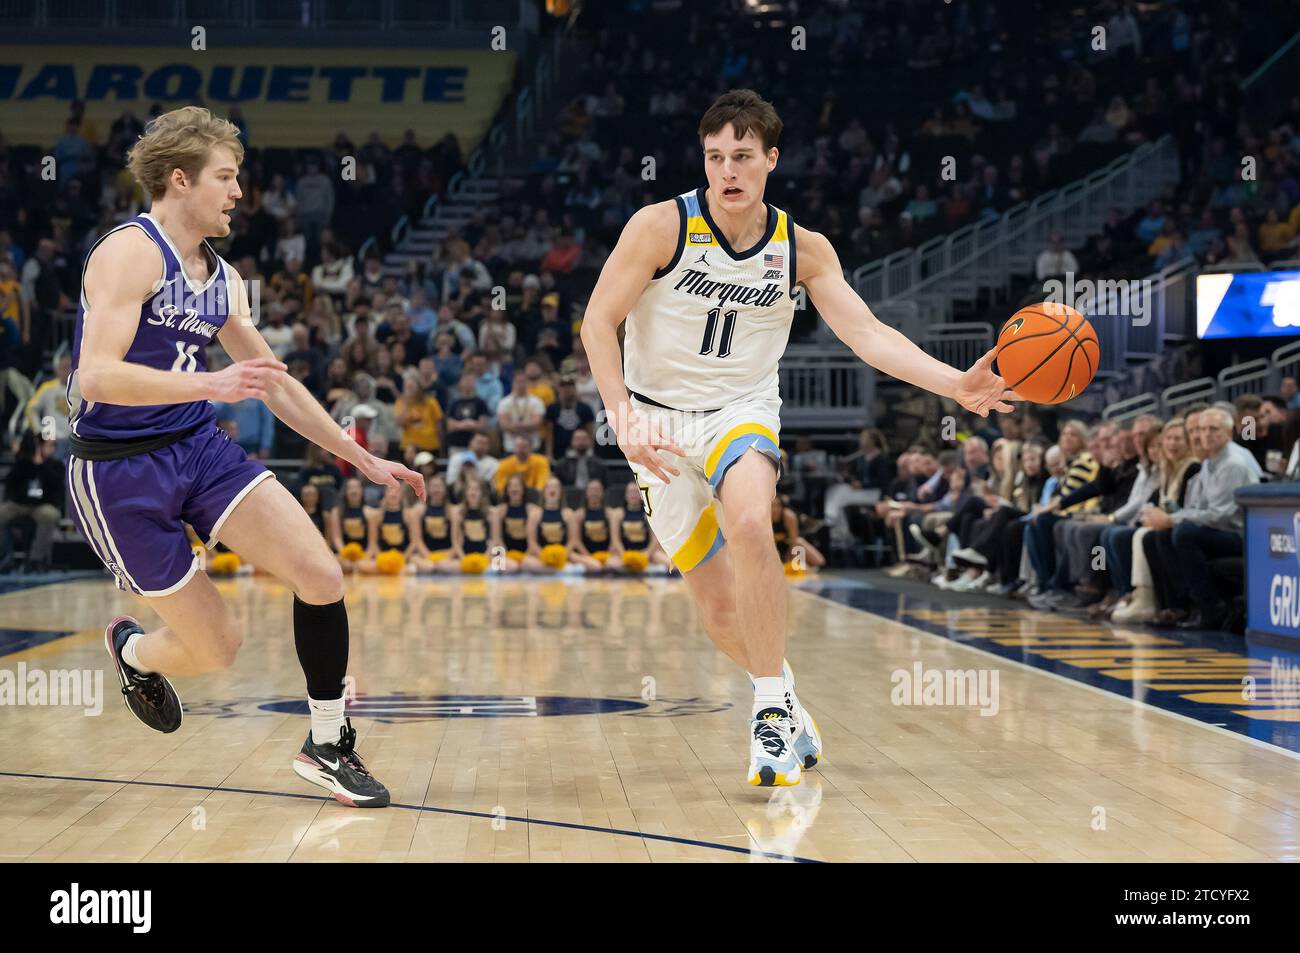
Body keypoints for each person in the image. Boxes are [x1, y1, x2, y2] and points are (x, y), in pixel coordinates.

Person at [580, 89, 1014, 786]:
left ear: (771, 159)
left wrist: (954, 383)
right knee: (721, 609)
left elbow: (868, 332)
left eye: (743, 157)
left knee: (752, 519)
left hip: (739, 408)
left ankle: (770, 712)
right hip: (657, 421)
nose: (728, 170)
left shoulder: (800, 248)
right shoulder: (659, 227)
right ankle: (782, 691)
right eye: (716, 156)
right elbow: (598, 322)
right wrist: (622, 413)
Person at [65, 106, 423, 808]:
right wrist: (211, 382)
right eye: (226, 177)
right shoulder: (128, 252)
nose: (237, 192)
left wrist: (361, 457)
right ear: (179, 179)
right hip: (118, 470)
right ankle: (134, 652)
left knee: (320, 573)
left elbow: (274, 383)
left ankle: (326, 742)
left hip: (197, 446)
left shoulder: (222, 278)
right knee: (218, 648)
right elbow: (95, 376)